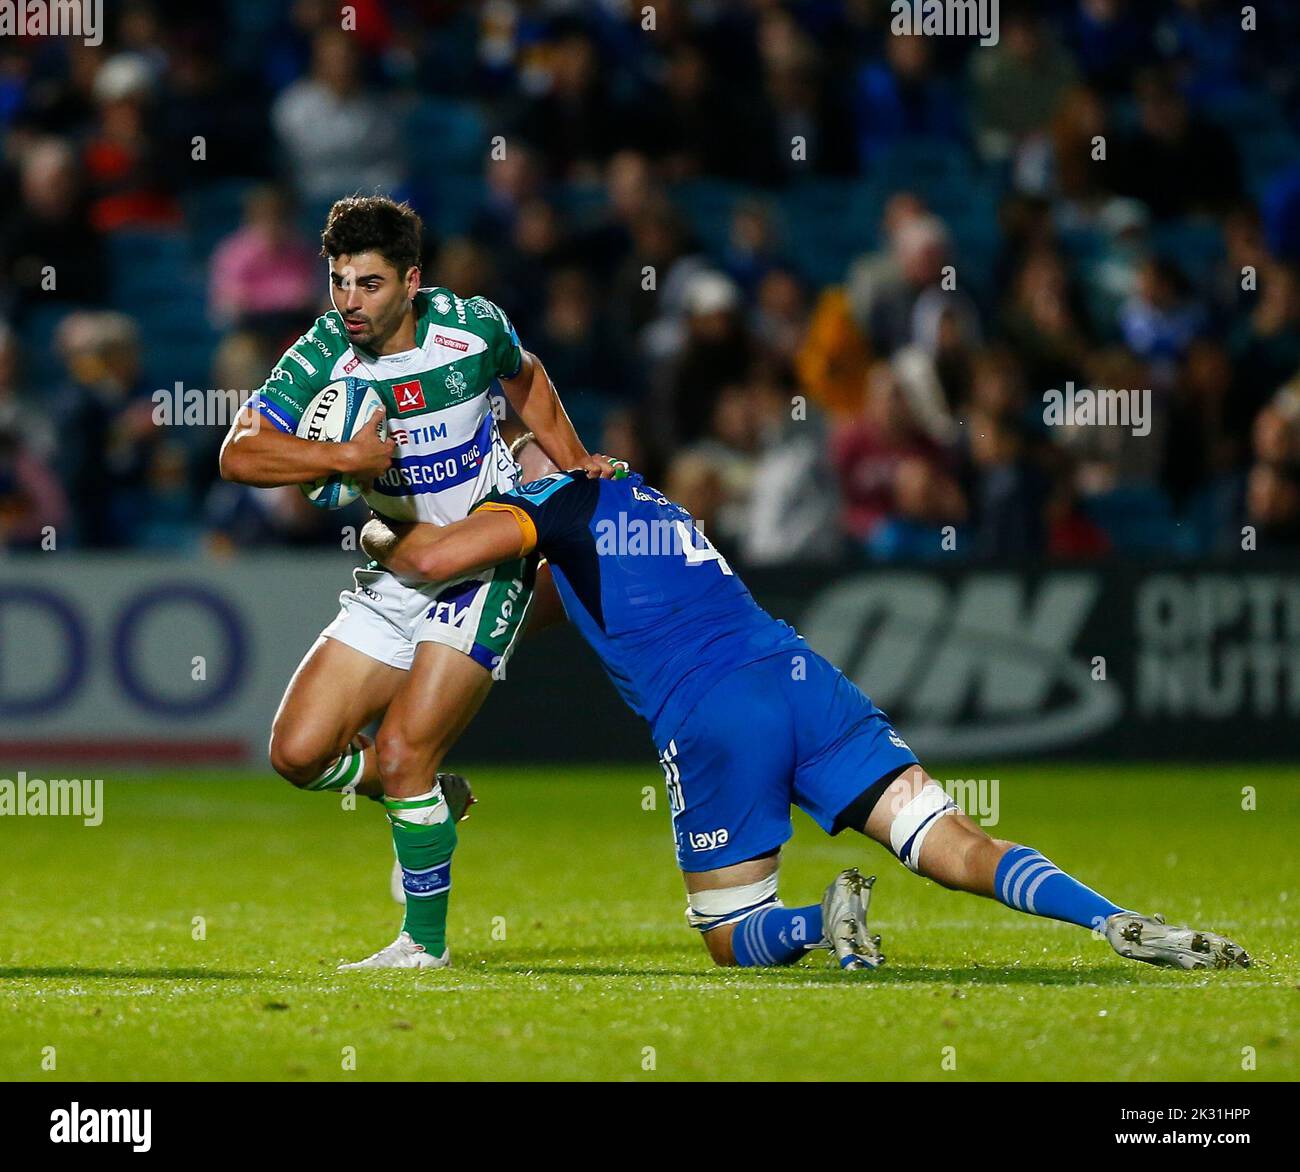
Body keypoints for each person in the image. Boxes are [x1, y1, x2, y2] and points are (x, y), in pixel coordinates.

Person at [358, 440, 1251, 973]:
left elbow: (435, 562)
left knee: (730, 935)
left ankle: (818, 922)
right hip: (798, 675)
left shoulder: (551, 499)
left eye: (515, 447)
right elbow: (549, 606)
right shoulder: (639, 497)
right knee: (951, 843)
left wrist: (370, 516)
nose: (509, 458)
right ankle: (1111, 919)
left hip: (712, 716)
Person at [218, 195, 615, 970]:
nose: (349, 302)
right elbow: (240, 453)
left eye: (368, 284)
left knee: (402, 753)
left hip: (486, 562)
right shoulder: (322, 350)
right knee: (298, 754)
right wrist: (342, 461)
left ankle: (420, 947)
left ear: (410, 280)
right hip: (398, 566)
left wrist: (572, 464)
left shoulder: (473, 327)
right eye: (338, 282)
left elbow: (525, 377)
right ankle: (437, 800)